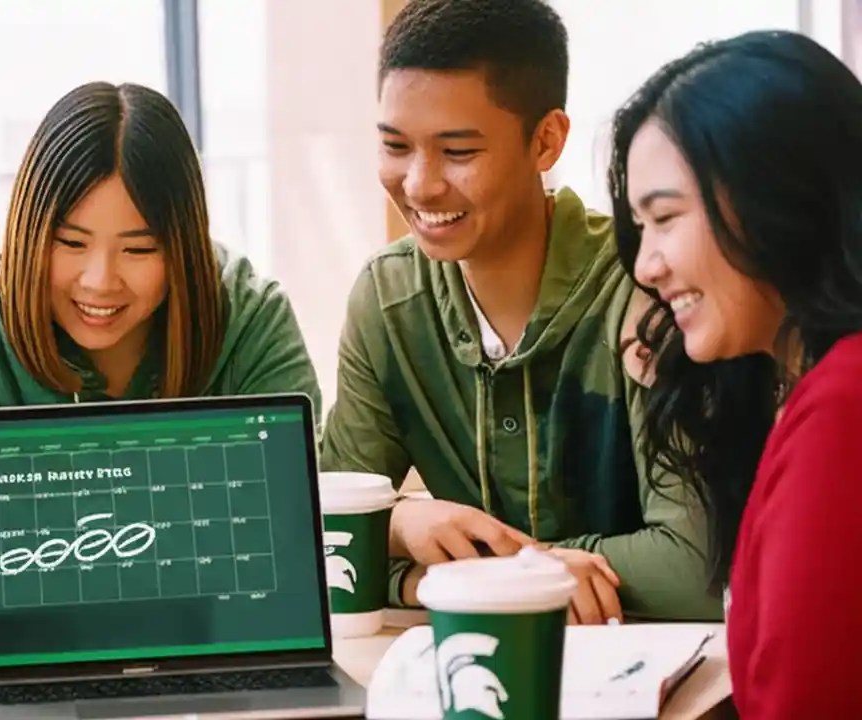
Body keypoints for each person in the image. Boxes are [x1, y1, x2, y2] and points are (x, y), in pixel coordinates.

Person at [0, 81, 319, 621]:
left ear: (185, 245)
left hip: (214, 640)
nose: (100, 282)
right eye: (71, 243)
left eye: (139, 249)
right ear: (29, 232)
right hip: (13, 650)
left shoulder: (249, 318)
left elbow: (298, 532)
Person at [319, 0, 719, 624]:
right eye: (396, 146)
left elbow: (695, 571)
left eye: (457, 152)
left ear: (546, 140)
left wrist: (507, 574)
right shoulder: (387, 302)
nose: (420, 184)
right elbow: (323, 546)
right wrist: (401, 523)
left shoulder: (646, 289)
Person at [611, 29, 862, 718]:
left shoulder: (843, 409)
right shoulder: (800, 389)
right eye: (640, 226)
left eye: (665, 218)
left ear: (773, 196)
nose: (645, 265)